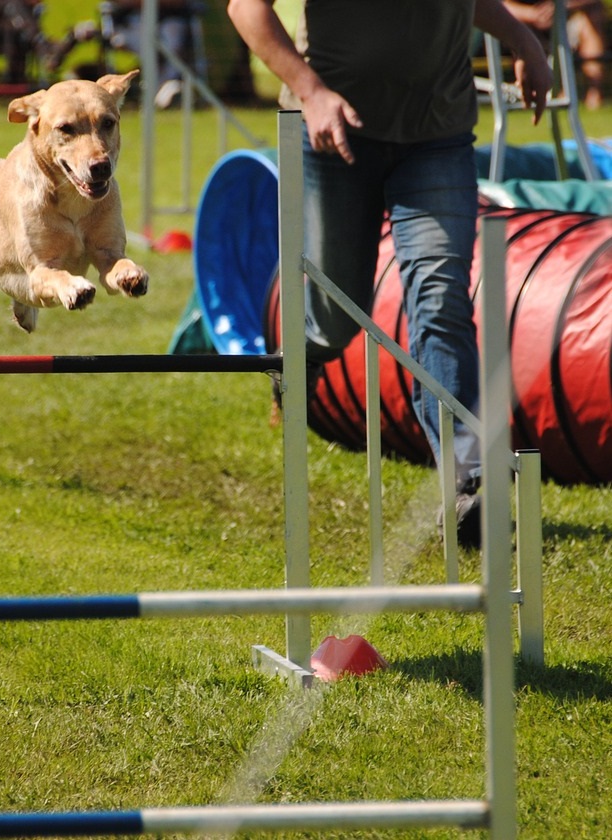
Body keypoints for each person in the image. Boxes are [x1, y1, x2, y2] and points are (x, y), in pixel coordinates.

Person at [226, 0, 553, 548]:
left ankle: (467, 478)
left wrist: (523, 39)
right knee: (336, 318)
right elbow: (245, 8)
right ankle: (297, 352)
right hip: (333, 132)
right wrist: (311, 91)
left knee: (441, 292)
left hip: (437, 134)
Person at [503, 1, 608, 108]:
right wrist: (532, 14)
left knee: (592, 15)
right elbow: (497, 5)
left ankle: (593, 92)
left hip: (563, 24)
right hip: (523, 28)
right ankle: (535, 91)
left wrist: (560, 6)